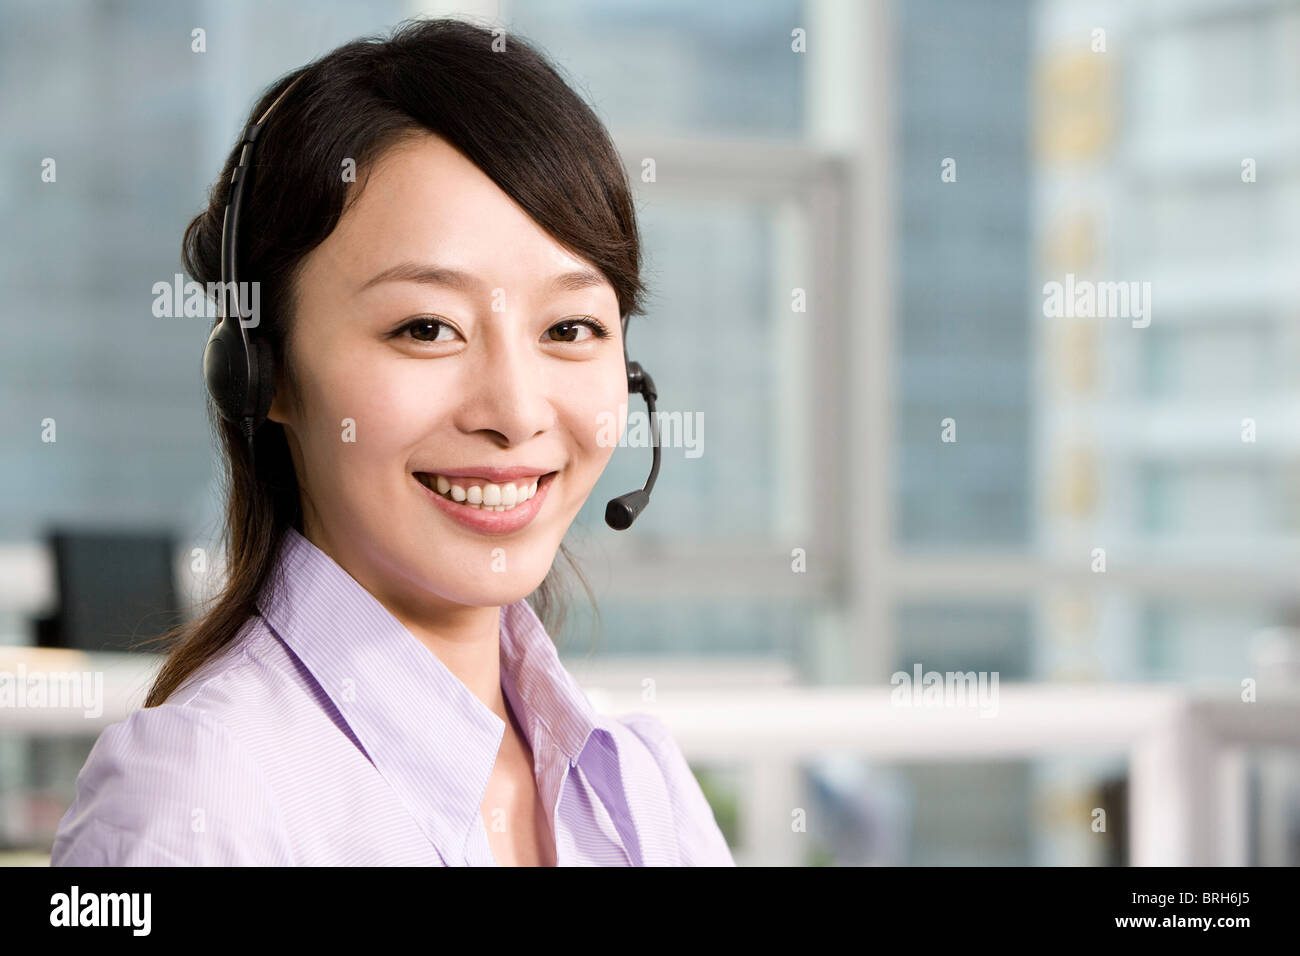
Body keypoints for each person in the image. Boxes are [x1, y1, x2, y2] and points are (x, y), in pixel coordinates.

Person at [50, 16, 733, 867]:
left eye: (570, 325)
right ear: (263, 374)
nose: (516, 411)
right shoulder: (200, 796)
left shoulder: (640, 790)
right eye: (426, 326)